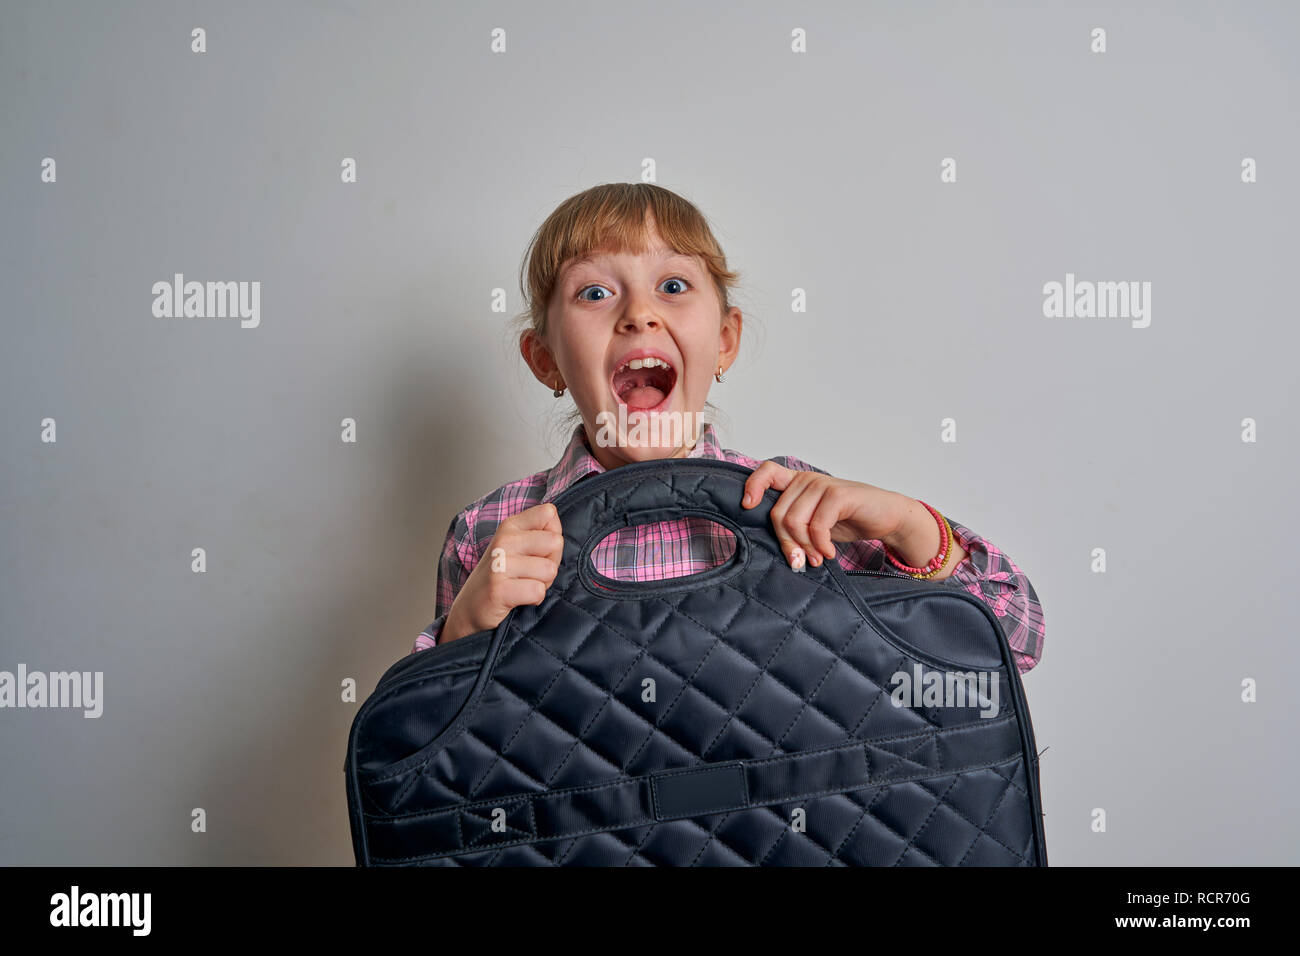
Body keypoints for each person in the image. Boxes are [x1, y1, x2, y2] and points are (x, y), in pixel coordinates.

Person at [411, 183, 1044, 675]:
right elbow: (429, 776)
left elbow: (1014, 642)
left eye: (674, 285)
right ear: (544, 358)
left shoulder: (798, 510)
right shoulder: (491, 530)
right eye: (596, 294)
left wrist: (908, 524)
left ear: (725, 341)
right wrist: (463, 632)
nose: (639, 314)